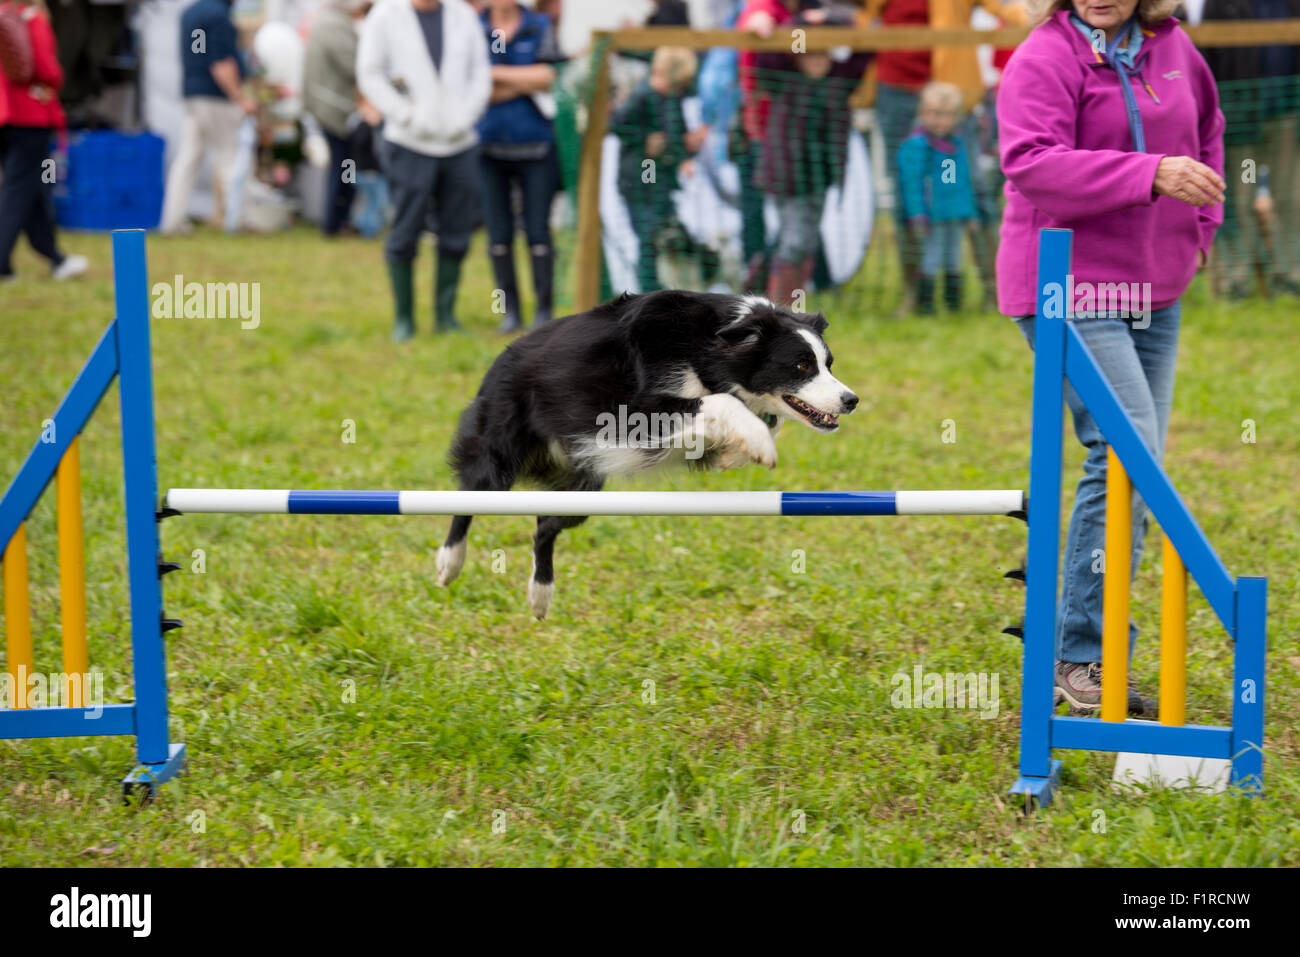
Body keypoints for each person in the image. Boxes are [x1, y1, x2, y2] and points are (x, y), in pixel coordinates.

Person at [999, 0, 1225, 715]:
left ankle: (1082, 645)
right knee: (1124, 451)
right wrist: (1150, 173)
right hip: (1066, 283)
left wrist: (1199, 230)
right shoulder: (1045, 54)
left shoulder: (1176, 47)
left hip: (1155, 287)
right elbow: (1032, 164)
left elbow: (1210, 136)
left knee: (1142, 459)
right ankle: (1082, 652)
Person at [863, 0, 1027, 314]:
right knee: (904, 194)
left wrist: (1044, 15)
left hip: (951, 92)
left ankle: (996, 290)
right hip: (895, 89)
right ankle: (915, 292)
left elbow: (1007, 8)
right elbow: (859, 14)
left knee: (974, 190)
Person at [357, 0, 491, 340]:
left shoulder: (463, 16)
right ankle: (404, 319)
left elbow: (480, 73)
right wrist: (405, 115)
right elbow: (370, 74)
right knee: (406, 228)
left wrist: (466, 117)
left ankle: (445, 315)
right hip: (408, 141)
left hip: (460, 142)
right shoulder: (385, 15)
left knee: (457, 229)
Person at [753, 12, 869, 303]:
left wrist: (831, 20)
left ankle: (770, 293)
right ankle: (781, 303)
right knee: (795, 240)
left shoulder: (840, 80)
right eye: (810, 54)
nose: (817, 60)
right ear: (798, 56)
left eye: (823, 54)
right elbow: (768, 59)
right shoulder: (785, 80)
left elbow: (864, 48)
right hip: (784, 173)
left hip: (819, 176)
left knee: (797, 237)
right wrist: (798, 22)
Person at [477, 0, 563, 333]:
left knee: (538, 231)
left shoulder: (538, 25)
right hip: (487, 145)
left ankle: (544, 310)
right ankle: (507, 310)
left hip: (536, 144)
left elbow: (549, 76)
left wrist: (493, 75)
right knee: (498, 235)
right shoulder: (473, 26)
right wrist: (523, 82)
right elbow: (469, 86)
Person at [0, 0, 88, 281]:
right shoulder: (31, 17)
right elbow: (48, 70)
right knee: (18, 190)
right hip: (30, 115)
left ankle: (54, 257)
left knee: (31, 190)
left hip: (5, 115)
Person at [609, 46, 704, 293]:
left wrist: (685, 153)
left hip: (661, 176)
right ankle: (649, 291)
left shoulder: (671, 98)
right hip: (642, 172)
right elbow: (617, 125)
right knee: (650, 235)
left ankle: (665, 290)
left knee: (662, 232)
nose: (678, 91)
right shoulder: (642, 96)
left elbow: (676, 132)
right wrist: (646, 140)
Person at [159, 0, 257, 234]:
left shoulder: (189, 13)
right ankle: (237, 220)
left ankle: (172, 221)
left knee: (188, 158)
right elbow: (221, 63)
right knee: (229, 157)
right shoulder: (219, 16)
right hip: (215, 96)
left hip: (192, 94)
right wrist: (240, 98)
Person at [897, 81, 977, 313]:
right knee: (931, 258)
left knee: (954, 258)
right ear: (923, 113)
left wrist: (969, 211)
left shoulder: (956, 144)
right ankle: (926, 306)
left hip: (955, 214)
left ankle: (954, 305)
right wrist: (918, 214)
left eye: (949, 115)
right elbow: (912, 184)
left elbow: (961, 180)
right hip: (932, 217)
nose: (941, 121)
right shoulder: (917, 145)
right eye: (935, 114)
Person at [303, 0, 374, 236]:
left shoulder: (328, 22)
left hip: (331, 108)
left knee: (343, 167)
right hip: (335, 110)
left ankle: (338, 221)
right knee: (343, 168)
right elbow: (357, 66)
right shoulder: (334, 25)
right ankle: (334, 223)